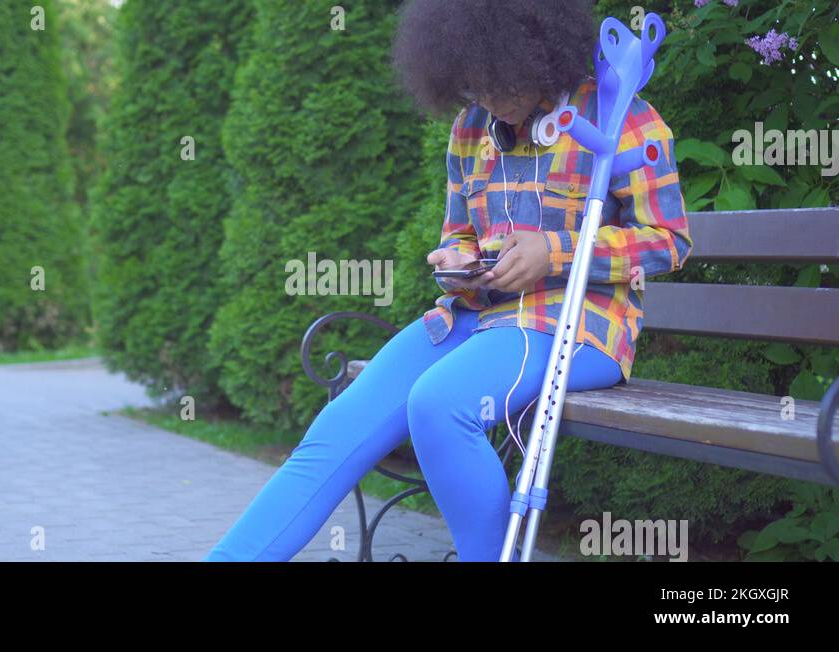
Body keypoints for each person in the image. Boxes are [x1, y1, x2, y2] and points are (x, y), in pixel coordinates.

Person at [203, 0, 692, 562]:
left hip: (576, 325)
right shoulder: (470, 129)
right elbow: (459, 231)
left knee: (439, 404)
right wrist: (459, 262)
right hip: (475, 317)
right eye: (471, 86)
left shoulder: (620, 115)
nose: (486, 100)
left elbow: (667, 242)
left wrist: (554, 252)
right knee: (340, 426)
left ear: (538, 50)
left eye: (498, 83)